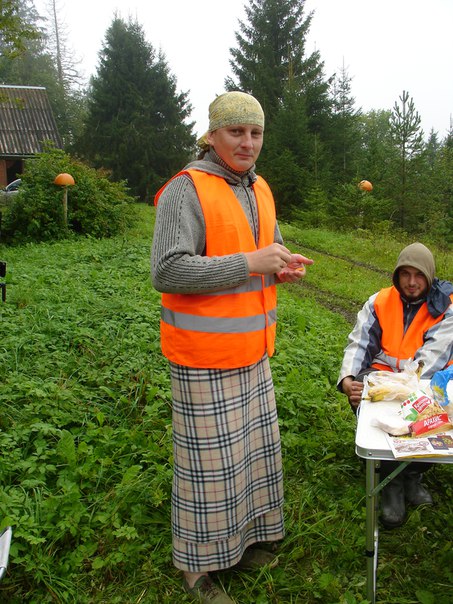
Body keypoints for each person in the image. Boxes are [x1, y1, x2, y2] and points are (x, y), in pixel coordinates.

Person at [151, 91, 313, 603]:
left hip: (253, 352)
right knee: (208, 470)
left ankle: (241, 544)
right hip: (203, 357)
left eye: (255, 132)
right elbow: (167, 269)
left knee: (249, 457)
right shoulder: (186, 189)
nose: (247, 142)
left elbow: (267, 251)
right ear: (212, 135)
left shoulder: (259, 187)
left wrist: (281, 267)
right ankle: (196, 570)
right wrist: (250, 264)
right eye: (236, 131)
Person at [338, 242, 453, 529]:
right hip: (383, 375)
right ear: (396, 275)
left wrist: (398, 389)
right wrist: (349, 379)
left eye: (419, 275)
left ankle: (412, 474)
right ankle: (392, 481)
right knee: (363, 394)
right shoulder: (379, 301)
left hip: (427, 381)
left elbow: (431, 360)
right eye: (405, 274)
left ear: (430, 276)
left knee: (426, 414)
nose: (412, 282)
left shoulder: (447, 307)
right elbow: (359, 342)